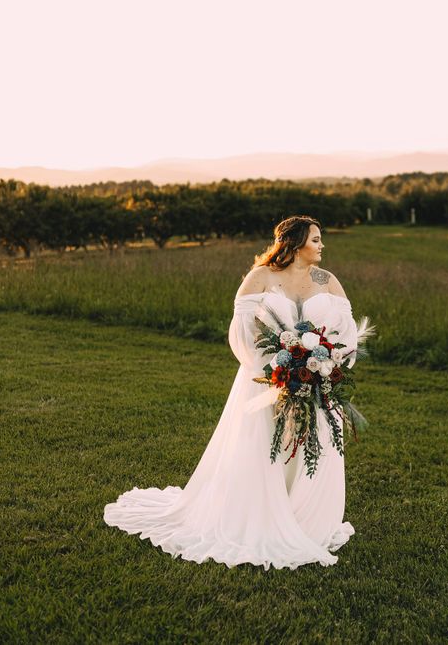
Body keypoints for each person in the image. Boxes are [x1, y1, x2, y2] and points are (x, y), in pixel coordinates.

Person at [104, 215, 360, 570]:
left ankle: (308, 522)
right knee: (266, 449)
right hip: (269, 380)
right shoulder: (262, 276)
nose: (321, 245)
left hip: (318, 379)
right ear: (295, 242)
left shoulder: (325, 279)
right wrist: (279, 371)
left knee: (314, 447)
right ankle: (262, 519)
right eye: (315, 239)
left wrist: (327, 364)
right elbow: (242, 333)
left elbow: (347, 329)